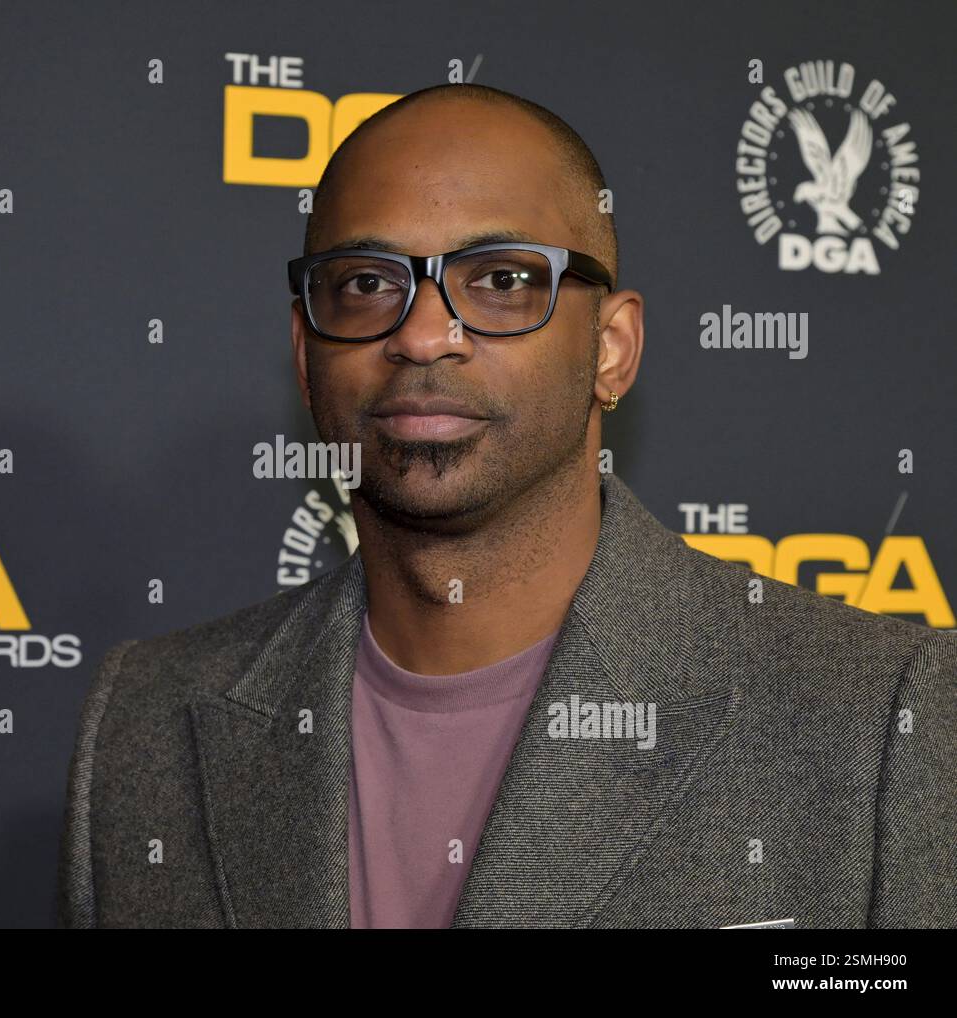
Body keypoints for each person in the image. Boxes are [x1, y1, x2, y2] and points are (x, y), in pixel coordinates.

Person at [57, 83, 957, 929]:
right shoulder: (145, 719)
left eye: (500, 280)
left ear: (612, 349)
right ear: (305, 352)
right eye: (368, 283)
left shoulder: (879, 718)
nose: (421, 334)